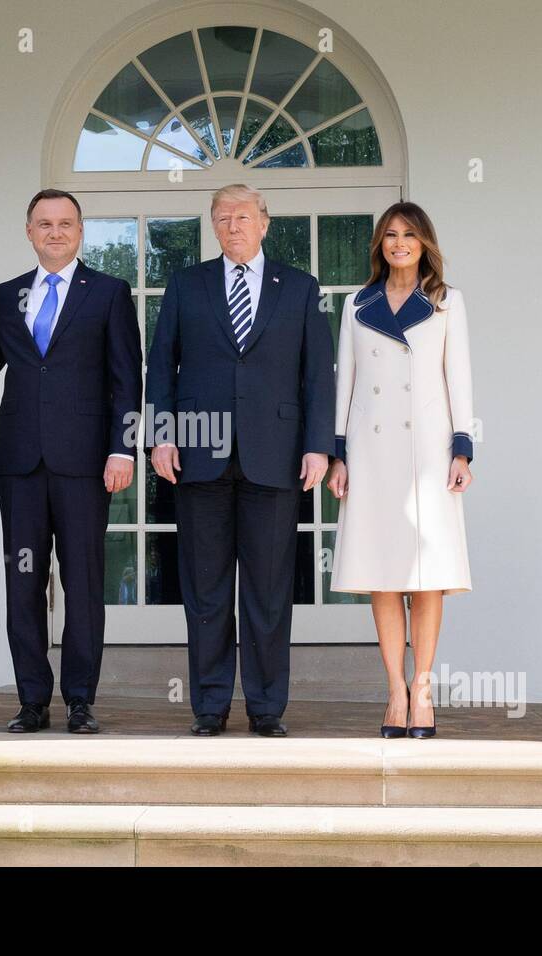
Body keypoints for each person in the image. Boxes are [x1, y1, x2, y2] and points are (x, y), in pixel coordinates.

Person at [147, 183, 335, 737]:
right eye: (223, 217)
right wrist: (160, 435)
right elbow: (161, 364)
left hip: (275, 458)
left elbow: (316, 374)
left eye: (243, 216)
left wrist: (318, 444)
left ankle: (266, 707)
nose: (233, 225)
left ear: (264, 223)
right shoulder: (187, 284)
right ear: (213, 225)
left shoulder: (299, 289)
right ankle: (208, 706)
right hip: (198, 456)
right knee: (205, 589)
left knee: (269, 591)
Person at [0, 188, 142, 734]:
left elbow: (127, 381)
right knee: (22, 582)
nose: (55, 232)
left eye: (65, 223)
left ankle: (79, 700)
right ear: (28, 231)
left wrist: (123, 447)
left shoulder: (110, 294)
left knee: (83, 583)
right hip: (21, 464)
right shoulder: (6, 296)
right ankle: (30, 700)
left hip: (84, 465)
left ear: (80, 231)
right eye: (44, 223)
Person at [326, 201, 475, 739]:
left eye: (409, 235)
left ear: (425, 242)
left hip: (429, 452)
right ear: (380, 245)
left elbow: (457, 377)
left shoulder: (446, 302)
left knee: (427, 576)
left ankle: (425, 687)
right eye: (390, 235)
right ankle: (395, 688)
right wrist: (338, 452)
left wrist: (463, 447)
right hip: (371, 450)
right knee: (384, 576)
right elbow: (345, 380)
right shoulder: (356, 305)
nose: (399, 243)